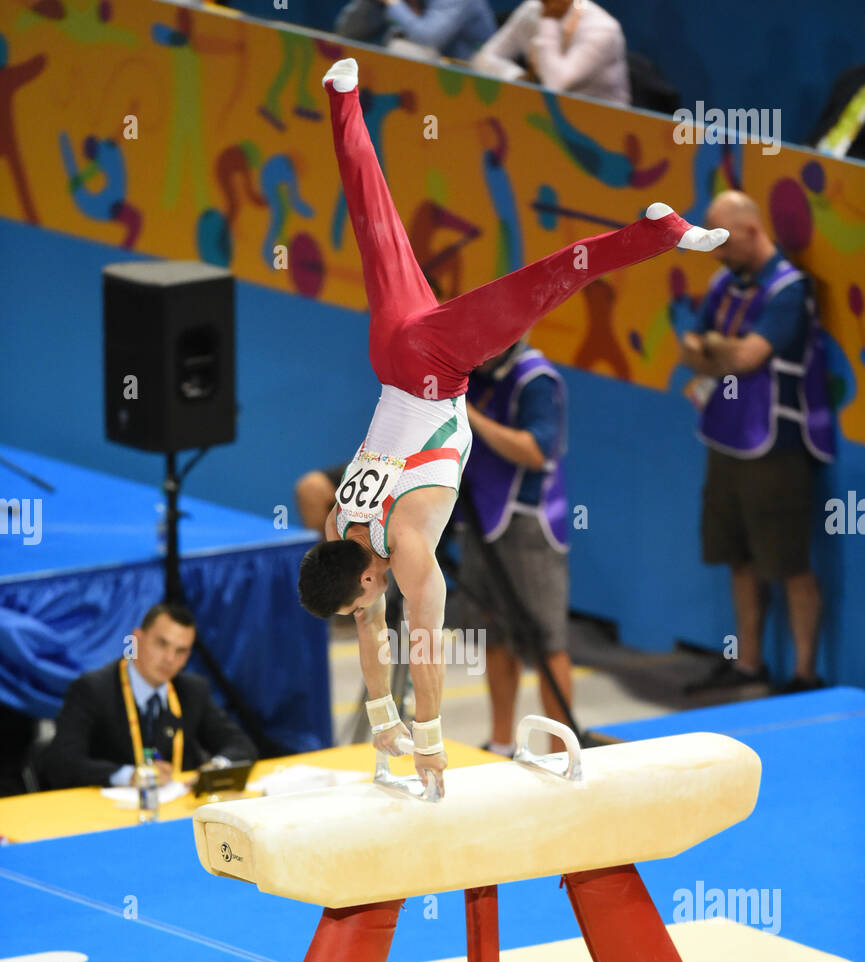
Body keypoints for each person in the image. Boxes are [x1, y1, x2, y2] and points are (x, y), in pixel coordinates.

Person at [298, 56, 728, 797]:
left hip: (434, 367)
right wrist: (378, 717)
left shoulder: (401, 546)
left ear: (365, 576)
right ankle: (342, 95)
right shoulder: (341, 525)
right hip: (392, 352)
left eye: (359, 601)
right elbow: (374, 634)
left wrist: (427, 744)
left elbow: (421, 651)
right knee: (375, 223)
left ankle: (658, 232)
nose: (365, 614)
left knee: (538, 289)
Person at [679, 190, 835, 695]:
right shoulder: (724, 282)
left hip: (777, 446)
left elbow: (747, 357)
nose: (718, 252)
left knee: (788, 563)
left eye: (725, 240)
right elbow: (691, 349)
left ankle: (804, 675)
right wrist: (720, 351)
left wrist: (718, 351)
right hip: (723, 438)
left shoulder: (791, 290)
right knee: (738, 557)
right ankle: (748, 664)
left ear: (751, 230)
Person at [459, 337, 571, 756]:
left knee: (546, 642)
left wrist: (471, 418)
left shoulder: (537, 379)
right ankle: (503, 743)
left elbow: (536, 450)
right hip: (479, 516)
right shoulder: (474, 371)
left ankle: (559, 752)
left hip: (528, 523)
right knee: (495, 638)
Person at [38, 604, 257, 790]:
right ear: (137, 639)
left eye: (180, 651)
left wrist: (215, 768)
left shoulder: (192, 690)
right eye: (162, 644)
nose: (170, 659)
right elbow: (61, 763)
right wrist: (128, 775)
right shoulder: (92, 689)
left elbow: (241, 745)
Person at [471, 0, 630, 106]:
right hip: (545, 116)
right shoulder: (531, 9)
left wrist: (550, 18)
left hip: (602, 129)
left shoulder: (602, 29)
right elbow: (483, 58)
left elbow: (555, 86)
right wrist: (518, 78)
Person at [334, 0, 496, 59]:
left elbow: (428, 38)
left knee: (403, 49)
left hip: (471, 80)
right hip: (424, 81)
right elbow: (346, 31)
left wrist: (393, 3)